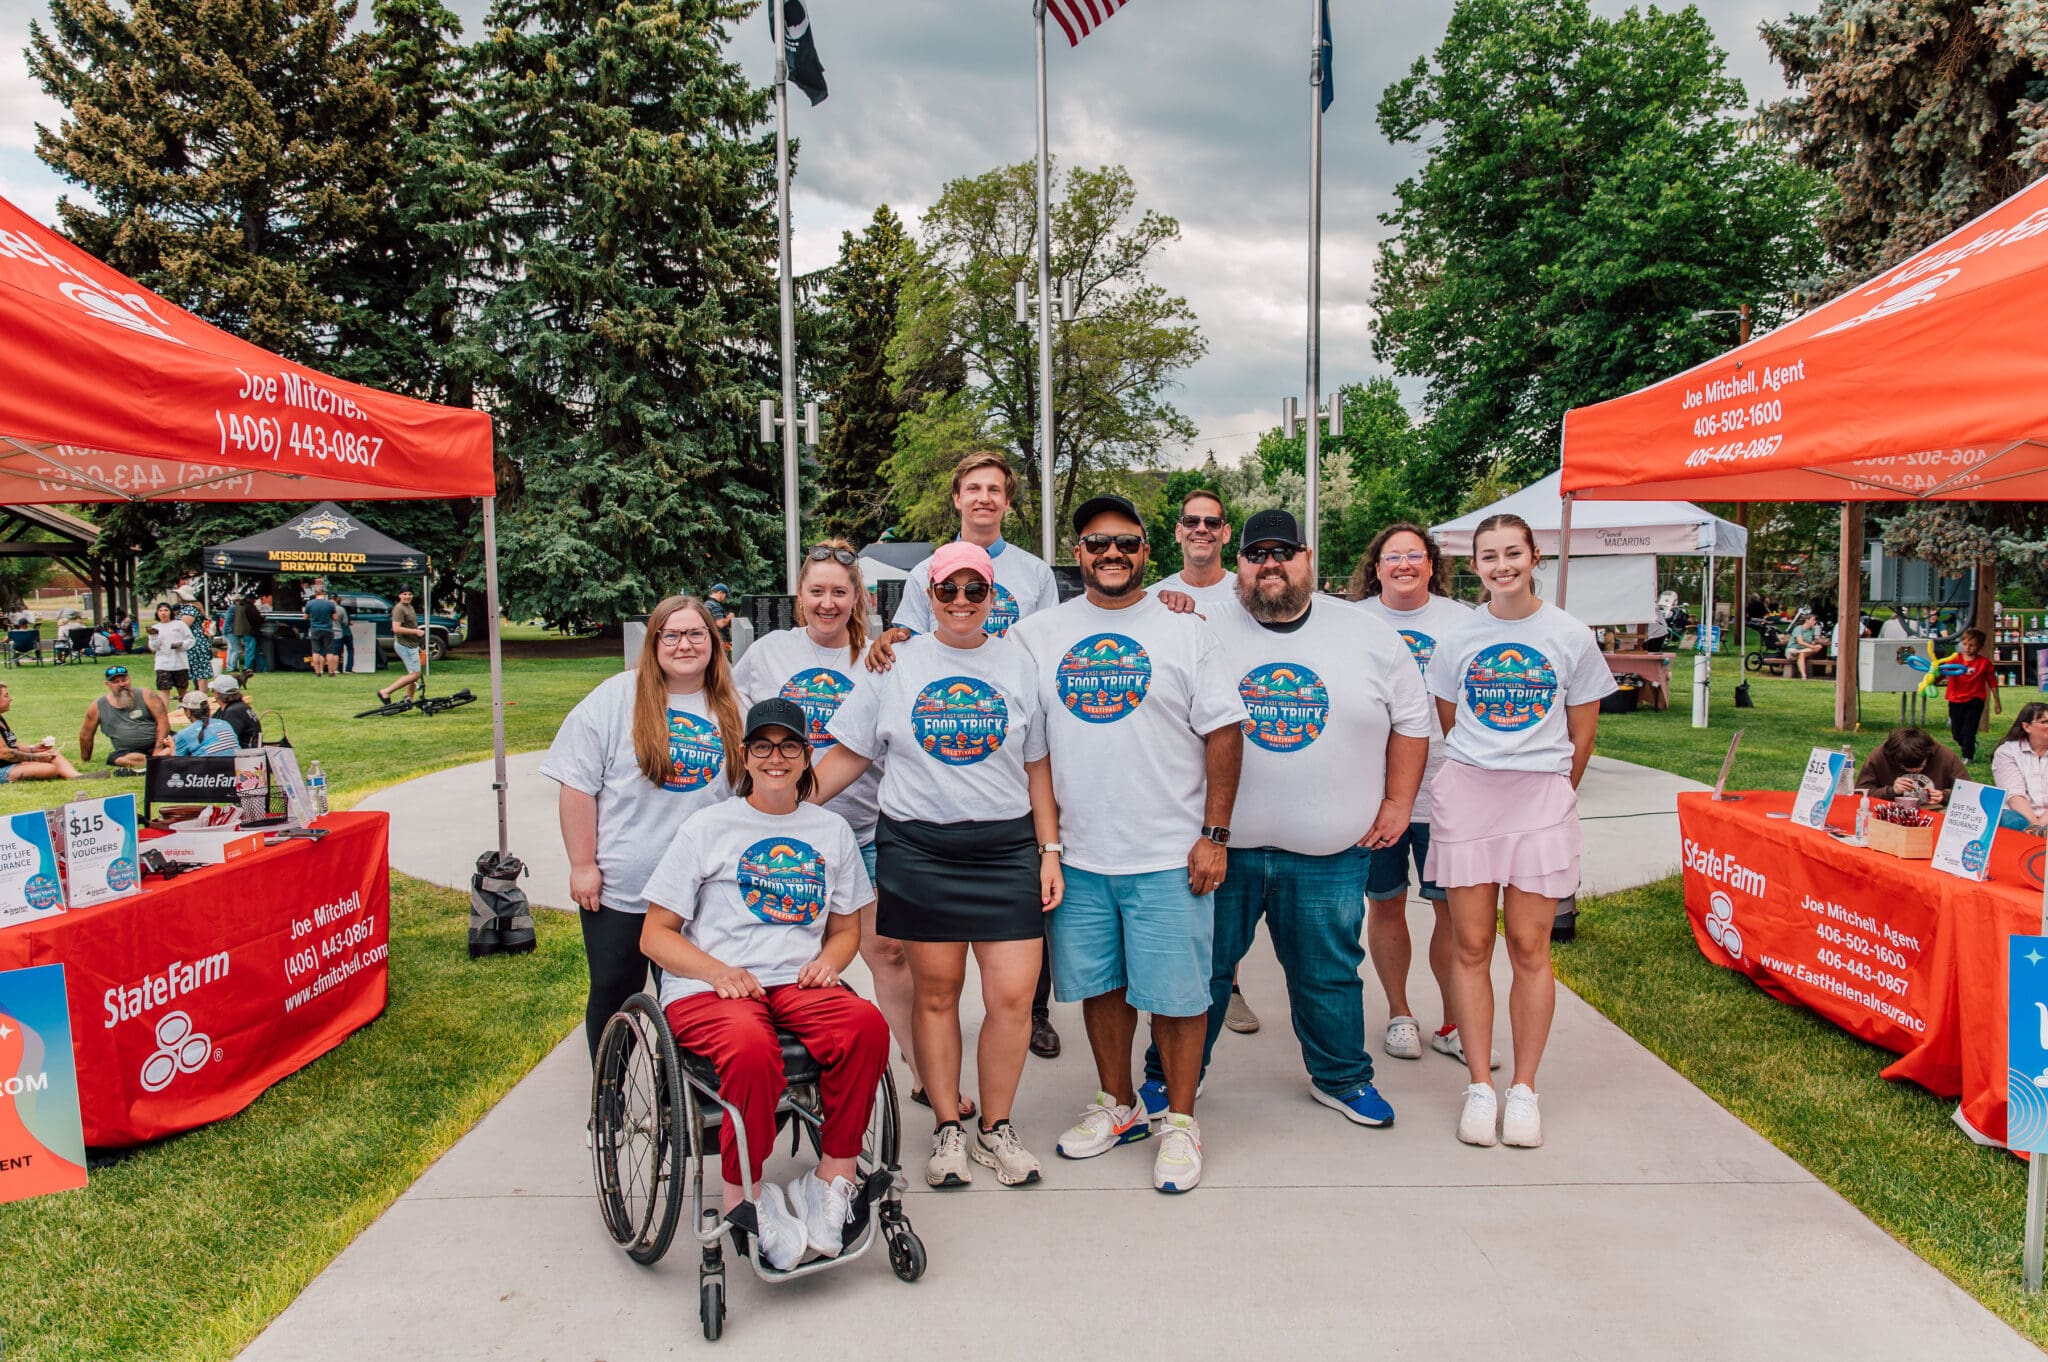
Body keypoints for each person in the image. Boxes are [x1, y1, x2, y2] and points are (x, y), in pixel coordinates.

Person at [1137, 508, 1432, 1130]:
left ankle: (1342, 1078)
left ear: (1308, 559)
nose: (1269, 564)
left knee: (1328, 972)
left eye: (1283, 552)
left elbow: (1411, 721)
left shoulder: (1367, 632)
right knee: (1199, 974)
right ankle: (1167, 1079)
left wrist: (1399, 803)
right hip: (1222, 847)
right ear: (1236, 565)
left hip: (1327, 849)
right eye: (1255, 554)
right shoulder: (1197, 626)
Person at [1014, 495, 1245, 1194]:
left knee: (1178, 997)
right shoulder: (1038, 634)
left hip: (1169, 853)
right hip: (1082, 855)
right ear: (1077, 555)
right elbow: (1027, 740)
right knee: (1101, 988)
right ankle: (1118, 1106)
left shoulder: (1186, 629)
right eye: (1095, 543)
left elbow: (1225, 732)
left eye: (1125, 543)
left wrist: (1213, 834)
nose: (1110, 554)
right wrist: (894, 639)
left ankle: (1179, 1119)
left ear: (1147, 551)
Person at [814, 541, 1060, 1189]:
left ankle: (995, 1128)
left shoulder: (1019, 662)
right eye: (947, 591)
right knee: (938, 994)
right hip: (920, 849)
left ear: (990, 597)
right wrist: (783, 804)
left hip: (1005, 849)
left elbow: (1037, 765)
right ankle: (948, 1125)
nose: (959, 602)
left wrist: (1049, 850)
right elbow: (850, 752)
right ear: (929, 596)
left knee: (1011, 998)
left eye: (973, 590)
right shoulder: (893, 663)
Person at [638, 696, 889, 1271]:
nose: (776, 757)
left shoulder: (830, 830)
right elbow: (655, 935)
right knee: (751, 1051)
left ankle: (834, 1177)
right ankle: (744, 1195)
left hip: (795, 981)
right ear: (745, 757)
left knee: (867, 1027)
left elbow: (847, 928)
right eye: (763, 746)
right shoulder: (707, 827)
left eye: (790, 746)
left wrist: (833, 958)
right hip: (711, 986)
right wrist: (716, 971)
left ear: (807, 759)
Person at [732, 542, 959, 1113]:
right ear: (799, 597)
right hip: (789, 835)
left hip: (866, 827)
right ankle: (791, 1065)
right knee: (792, 950)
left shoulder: (878, 656)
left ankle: (921, 1068)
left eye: (839, 591)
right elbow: (734, 724)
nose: (827, 603)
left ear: (857, 597)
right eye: (817, 592)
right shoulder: (767, 656)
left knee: (888, 952)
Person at [867, 450, 1066, 1060]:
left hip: (1010, 730)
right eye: (973, 488)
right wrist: (886, 643)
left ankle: (1032, 1012)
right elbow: (905, 635)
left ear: (1008, 501)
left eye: (994, 489)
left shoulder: (1033, 573)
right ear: (956, 498)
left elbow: (1051, 645)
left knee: (1026, 933)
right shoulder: (929, 567)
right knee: (939, 981)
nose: (983, 498)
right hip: (948, 734)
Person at [1426, 513, 1616, 1149]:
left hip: (1540, 800)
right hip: (1471, 797)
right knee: (1471, 945)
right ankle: (1480, 1085)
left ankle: (1525, 1089)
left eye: (1513, 553)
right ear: (1474, 564)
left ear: (1535, 556)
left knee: (1531, 948)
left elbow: (1582, 729)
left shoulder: (1569, 634)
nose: (1502, 565)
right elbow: (1451, 720)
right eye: (1489, 556)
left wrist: (1556, 787)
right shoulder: (1457, 636)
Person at [541, 595, 744, 1059]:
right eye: (671, 635)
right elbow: (576, 785)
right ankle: (608, 1100)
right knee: (616, 994)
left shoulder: (734, 705)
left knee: (693, 1000)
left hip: (703, 892)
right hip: (624, 885)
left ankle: (682, 1105)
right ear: (653, 643)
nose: (684, 644)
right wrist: (582, 864)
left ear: (714, 642)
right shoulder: (616, 697)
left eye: (696, 634)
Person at [1352, 522, 1496, 1072]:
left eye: (1416, 555)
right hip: (1378, 796)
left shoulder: (1463, 622)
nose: (1405, 564)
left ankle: (1456, 1021)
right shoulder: (1355, 620)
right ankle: (1399, 1013)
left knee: (1452, 912)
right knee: (1385, 903)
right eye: (1394, 556)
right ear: (1378, 565)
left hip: (1448, 793)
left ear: (1432, 565)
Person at [1154, 488, 1238, 613]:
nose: (1201, 529)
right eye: (1191, 521)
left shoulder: (1249, 596)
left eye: (1212, 523)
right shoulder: (1155, 599)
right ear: (1178, 532)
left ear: (1226, 533)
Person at [80, 664, 171, 770]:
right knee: (116, 759)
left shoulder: (146, 695)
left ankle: (156, 759)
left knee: (177, 744)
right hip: (130, 752)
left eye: (124, 680)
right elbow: (86, 735)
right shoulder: (98, 706)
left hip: (160, 743)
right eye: (116, 682)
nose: (122, 684)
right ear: (107, 684)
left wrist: (158, 749)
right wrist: (85, 760)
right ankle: (157, 760)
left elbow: (163, 722)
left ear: (129, 679)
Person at [1853, 727, 1968, 808]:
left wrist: (1944, 796)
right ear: (1893, 758)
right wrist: (1892, 791)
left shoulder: (1945, 755)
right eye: (1906, 768)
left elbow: (1968, 793)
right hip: (1888, 813)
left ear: (1928, 753)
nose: (1917, 771)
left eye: (1921, 765)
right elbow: (1860, 793)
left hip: (1934, 813)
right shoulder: (1879, 756)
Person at [0, 683, 80, 782]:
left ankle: (77, 776)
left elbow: (12, 744)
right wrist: (35, 758)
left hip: (10, 763)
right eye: (6, 695)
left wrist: (33, 749)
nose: (10, 698)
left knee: (53, 754)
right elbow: (4, 753)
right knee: (49, 769)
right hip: (2, 768)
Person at [1944, 628, 1998, 762]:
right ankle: (1969, 746)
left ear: (1979, 646)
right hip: (1955, 699)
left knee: (1968, 730)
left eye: (1972, 645)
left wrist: (1997, 702)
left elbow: (1992, 682)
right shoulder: (1954, 659)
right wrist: (1931, 680)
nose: (1967, 648)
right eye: (1965, 644)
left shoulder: (1984, 663)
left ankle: (1968, 756)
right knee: (1956, 733)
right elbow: (1942, 673)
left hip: (1975, 700)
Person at [1994, 703, 2048, 833]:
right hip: (2020, 813)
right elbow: (2014, 795)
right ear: (2027, 727)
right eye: (2045, 722)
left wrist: (2043, 824)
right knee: (2011, 821)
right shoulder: (2007, 752)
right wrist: (2037, 827)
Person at [377, 588, 427, 705]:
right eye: (405, 594)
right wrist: (416, 632)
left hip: (412, 644)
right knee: (415, 675)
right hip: (404, 645)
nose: (407, 596)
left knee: (413, 675)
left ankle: (409, 699)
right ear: (400, 595)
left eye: (410, 594)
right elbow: (396, 628)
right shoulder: (399, 608)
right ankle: (385, 692)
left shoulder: (409, 607)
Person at [145, 602, 194, 708]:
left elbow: (190, 639)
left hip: (179, 662)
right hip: (163, 663)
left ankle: (186, 711)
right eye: (161, 611)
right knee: (164, 690)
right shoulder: (155, 627)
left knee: (182, 689)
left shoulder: (179, 624)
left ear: (170, 612)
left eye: (166, 610)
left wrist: (182, 645)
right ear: (157, 613)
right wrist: (153, 636)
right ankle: (164, 715)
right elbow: (153, 647)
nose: (163, 613)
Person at [173, 690, 239, 755]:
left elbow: (177, 761)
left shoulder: (184, 734)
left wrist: (171, 745)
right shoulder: (225, 724)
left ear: (188, 712)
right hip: (237, 764)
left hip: (210, 765)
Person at [208, 674, 262, 747]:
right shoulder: (238, 707)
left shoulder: (233, 712)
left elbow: (226, 741)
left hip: (244, 755)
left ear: (217, 693)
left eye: (213, 691)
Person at [303, 586, 341, 676]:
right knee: (329, 651)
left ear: (315, 594)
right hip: (328, 629)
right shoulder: (330, 604)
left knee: (316, 651)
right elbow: (335, 618)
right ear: (324, 593)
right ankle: (331, 672)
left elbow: (305, 617)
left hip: (315, 629)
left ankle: (317, 672)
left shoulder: (310, 603)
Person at [179, 603, 215, 689]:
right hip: (199, 642)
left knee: (199, 670)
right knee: (198, 669)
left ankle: (201, 694)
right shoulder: (194, 608)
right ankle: (199, 690)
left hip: (195, 644)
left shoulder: (189, 609)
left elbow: (182, 626)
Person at [230, 593, 265, 673]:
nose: (255, 601)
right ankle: (247, 668)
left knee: (252, 651)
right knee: (250, 651)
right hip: (249, 631)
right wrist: (262, 619)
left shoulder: (239, 606)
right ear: (250, 599)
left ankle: (263, 668)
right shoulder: (249, 607)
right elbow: (255, 619)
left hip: (240, 631)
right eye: (254, 599)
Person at [1785, 613, 1825, 679]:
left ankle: (1804, 675)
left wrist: (1813, 642)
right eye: (1813, 620)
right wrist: (1811, 647)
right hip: (1794, 649)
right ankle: (1800, 652)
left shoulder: (1812, 629)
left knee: (1818, 647)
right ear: (1807, 620)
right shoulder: (1799, 628)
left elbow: (1812, 640)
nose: (1815, 622)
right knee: (1796, 652)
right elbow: (1800, 642)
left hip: (1805, 650)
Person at [705, 584, 735, 649]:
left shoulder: (707, 604)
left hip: (712, 639)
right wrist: (729, 617)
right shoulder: (715, 605)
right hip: (721, 641)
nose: (725, 598)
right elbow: (720, 624)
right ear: (720, 593)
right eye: (725, 595)